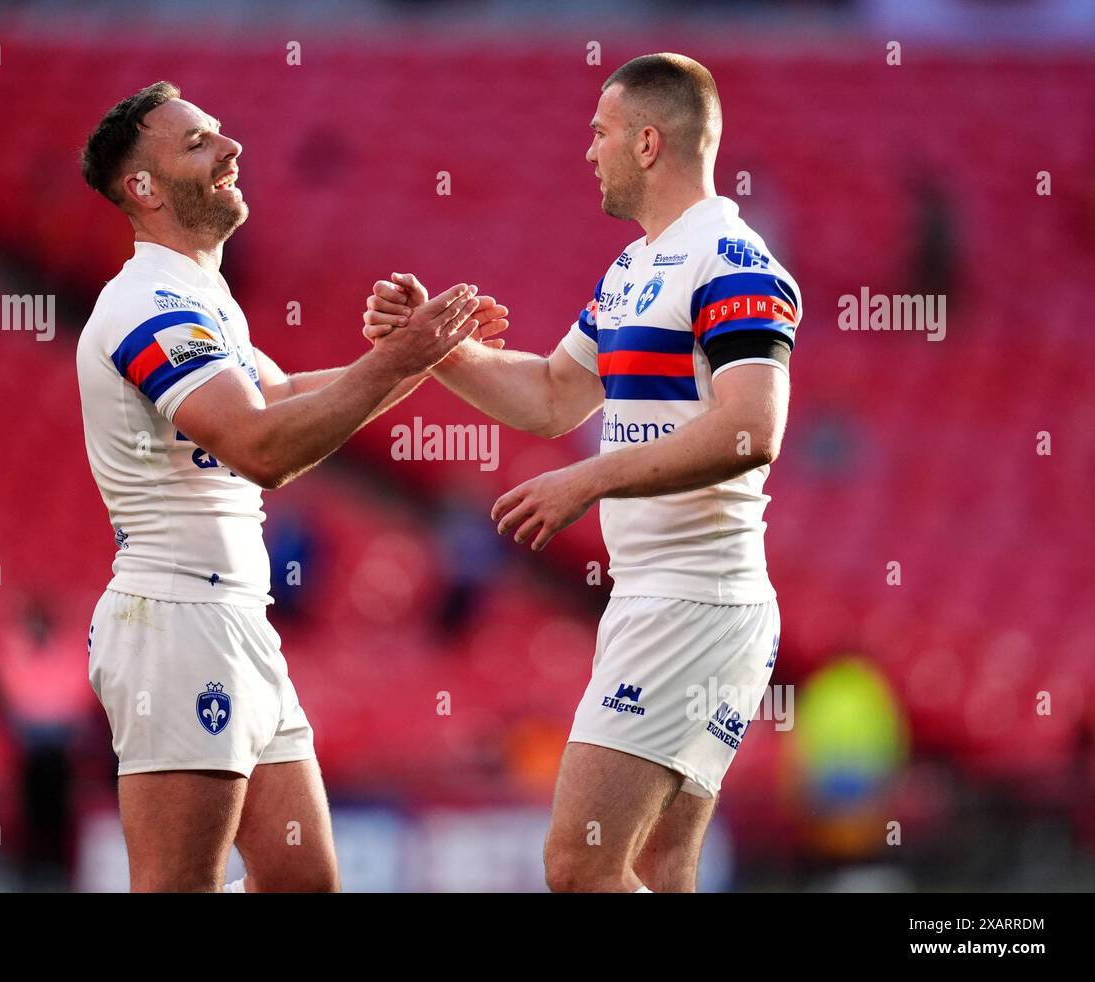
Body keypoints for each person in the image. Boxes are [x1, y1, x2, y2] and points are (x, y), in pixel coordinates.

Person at [364, 54, 800, 892]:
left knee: (578, 864)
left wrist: (591, 480)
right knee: (654, 870)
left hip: (693, 598)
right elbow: (556, 396)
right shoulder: (634, 270)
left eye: (598, 132)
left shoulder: (732, 262)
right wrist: (436, 347)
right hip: (670, 596)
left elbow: (752, 430)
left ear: (646, 141)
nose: (586, 151)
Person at [76, 82, 505, 892]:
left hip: (234, 617)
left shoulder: (205, 302)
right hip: (176, 617)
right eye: (199, 143)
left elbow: (280, 399)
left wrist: (435, 354)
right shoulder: (144, 305)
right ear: (144, 188)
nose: (231, 148)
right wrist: (401, 358)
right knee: (178, 884)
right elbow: (260, 447)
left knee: (302, 883)